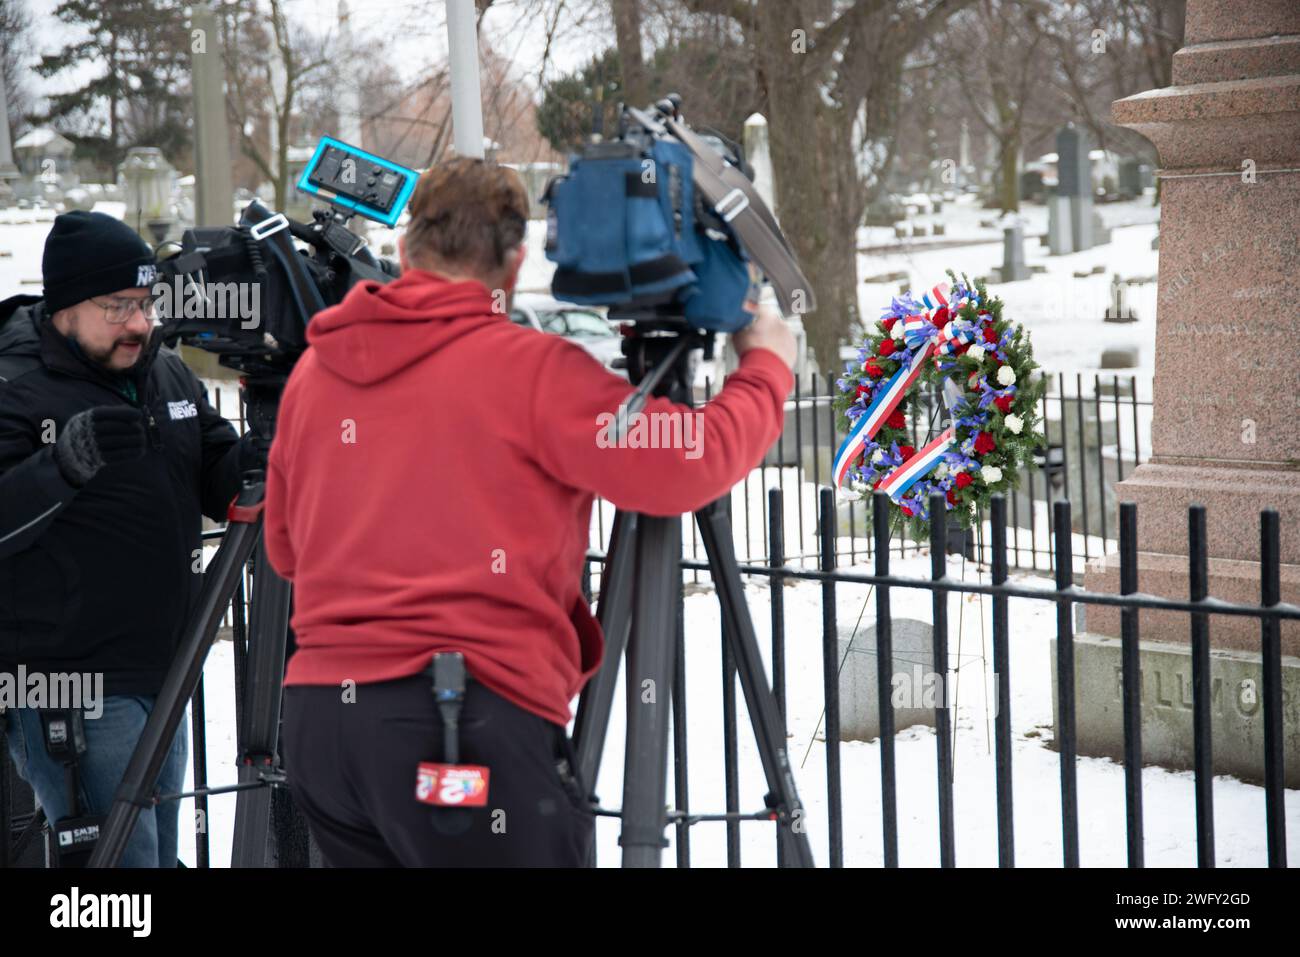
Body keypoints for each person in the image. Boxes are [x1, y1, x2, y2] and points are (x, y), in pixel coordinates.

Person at [264, 156, 796, 867]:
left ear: (405, 249)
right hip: (460, 721)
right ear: (513, 264)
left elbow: (287, 550)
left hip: (324, 729)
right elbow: (688, 458)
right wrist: (765, 369)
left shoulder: (315, 371)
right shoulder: (533, 371)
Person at [0, 210, 261, 867]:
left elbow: (220, 480)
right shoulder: (14, 386)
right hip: (73, 686)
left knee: (154, 861)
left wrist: (267, 446)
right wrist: (59, 469)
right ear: (64, 305)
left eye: (146, 304)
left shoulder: (164, 373)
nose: (140, 323)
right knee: (117, 873)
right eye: (118, 306)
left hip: (166, 673)